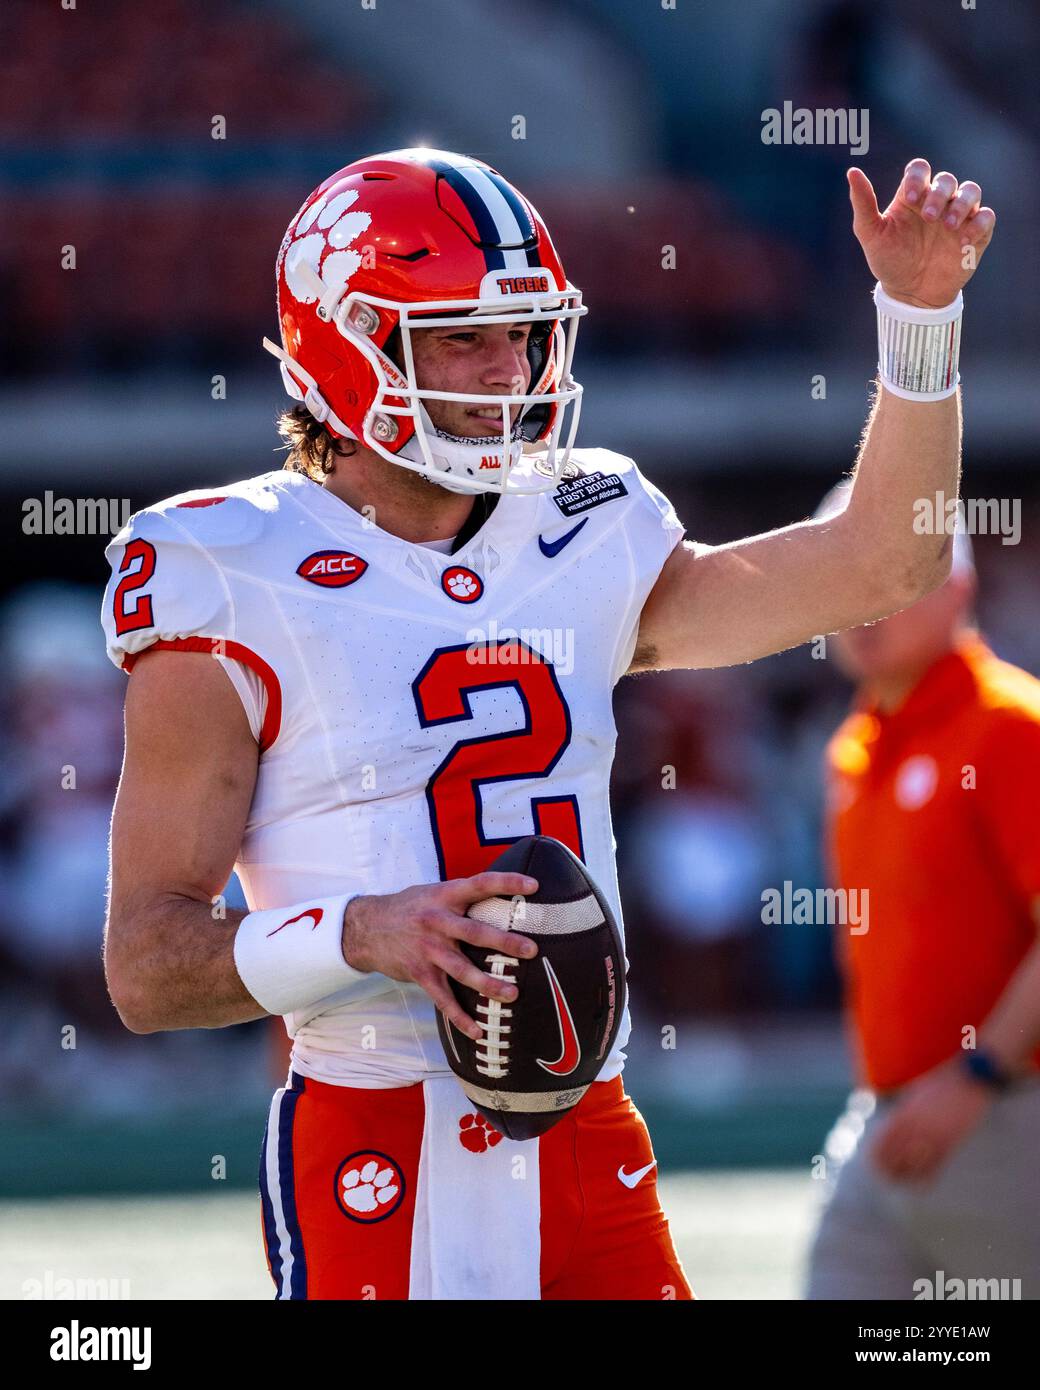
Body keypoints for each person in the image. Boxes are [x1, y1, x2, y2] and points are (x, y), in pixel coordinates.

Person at [101, 147, 994, 1299]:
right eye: (463, 337)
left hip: (586, 1125)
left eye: (524, 333)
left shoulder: (582, 525)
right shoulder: (229, 568)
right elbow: (147, 966)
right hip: (380, 1137)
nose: (509, 368)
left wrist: (917, 317)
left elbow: (881, 564)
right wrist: (360, 932)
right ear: (348, 342)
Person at [806, 505, 1040, 1299]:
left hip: (1007, 1115)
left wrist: (979, 1075)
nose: (866, 606)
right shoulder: (854, 746)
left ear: (960, 588)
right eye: (845, 581)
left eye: (894, 578)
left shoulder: (1011, 726)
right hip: (886, 1118)